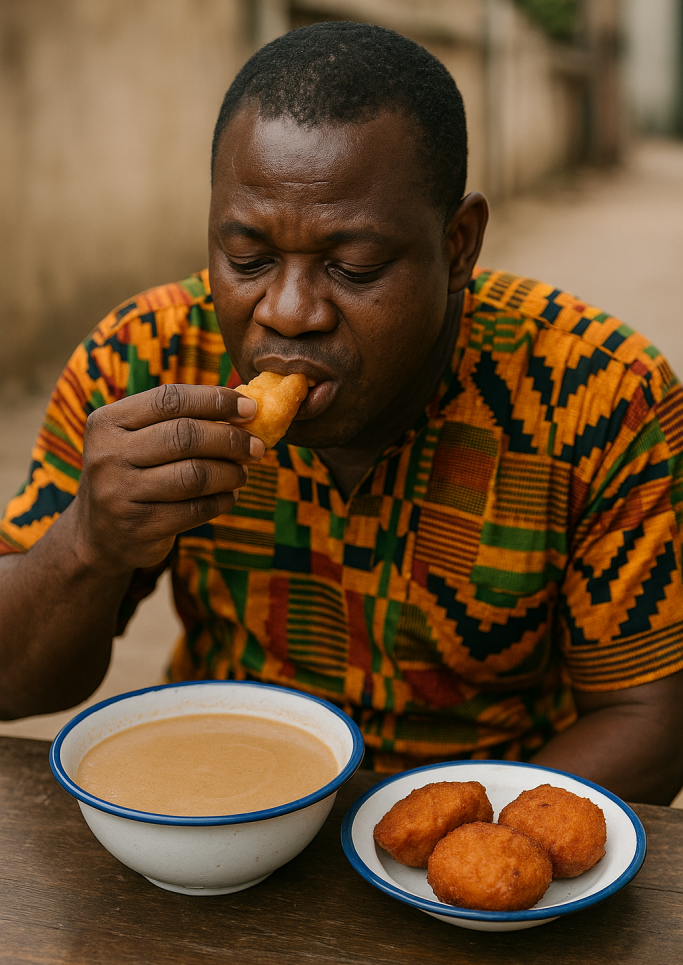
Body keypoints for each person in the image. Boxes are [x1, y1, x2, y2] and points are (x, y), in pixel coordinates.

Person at [1, 23, 682, 804]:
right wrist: (88, 543)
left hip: (484, 833)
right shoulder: (143, 359)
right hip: (218, 813)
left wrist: (435, 840)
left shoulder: (600, 396)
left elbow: (649, 722)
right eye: (247, 259)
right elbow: (14, 689)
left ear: (458, 246)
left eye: (353, 266)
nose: (288, 313)